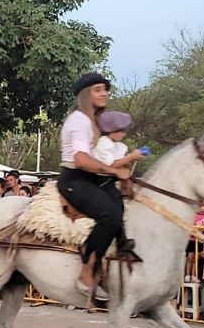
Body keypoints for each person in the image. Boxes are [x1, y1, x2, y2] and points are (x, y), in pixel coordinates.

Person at [57, 73, 133, 301]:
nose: (104, 93)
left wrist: (122, 175)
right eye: (98, 89)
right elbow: (81, 160)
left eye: (105, 89)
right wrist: (114, 171)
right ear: (85, 94)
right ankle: (87, 271)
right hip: (75, 178)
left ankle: (120, 251)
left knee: (120, 206)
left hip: (94, 177)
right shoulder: (79, 121)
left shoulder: (96, 121)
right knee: (108, 215)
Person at [92, 110, 145, 253]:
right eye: (121, 130)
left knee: (119, 204)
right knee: (115, 206)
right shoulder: (103, 144)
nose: (124, 133)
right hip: (100, 180)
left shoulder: (117, 146)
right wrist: (131, 158)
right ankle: (119, 240)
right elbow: (109, 164)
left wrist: (130, 159)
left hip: (110, 180)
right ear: (112, 130)